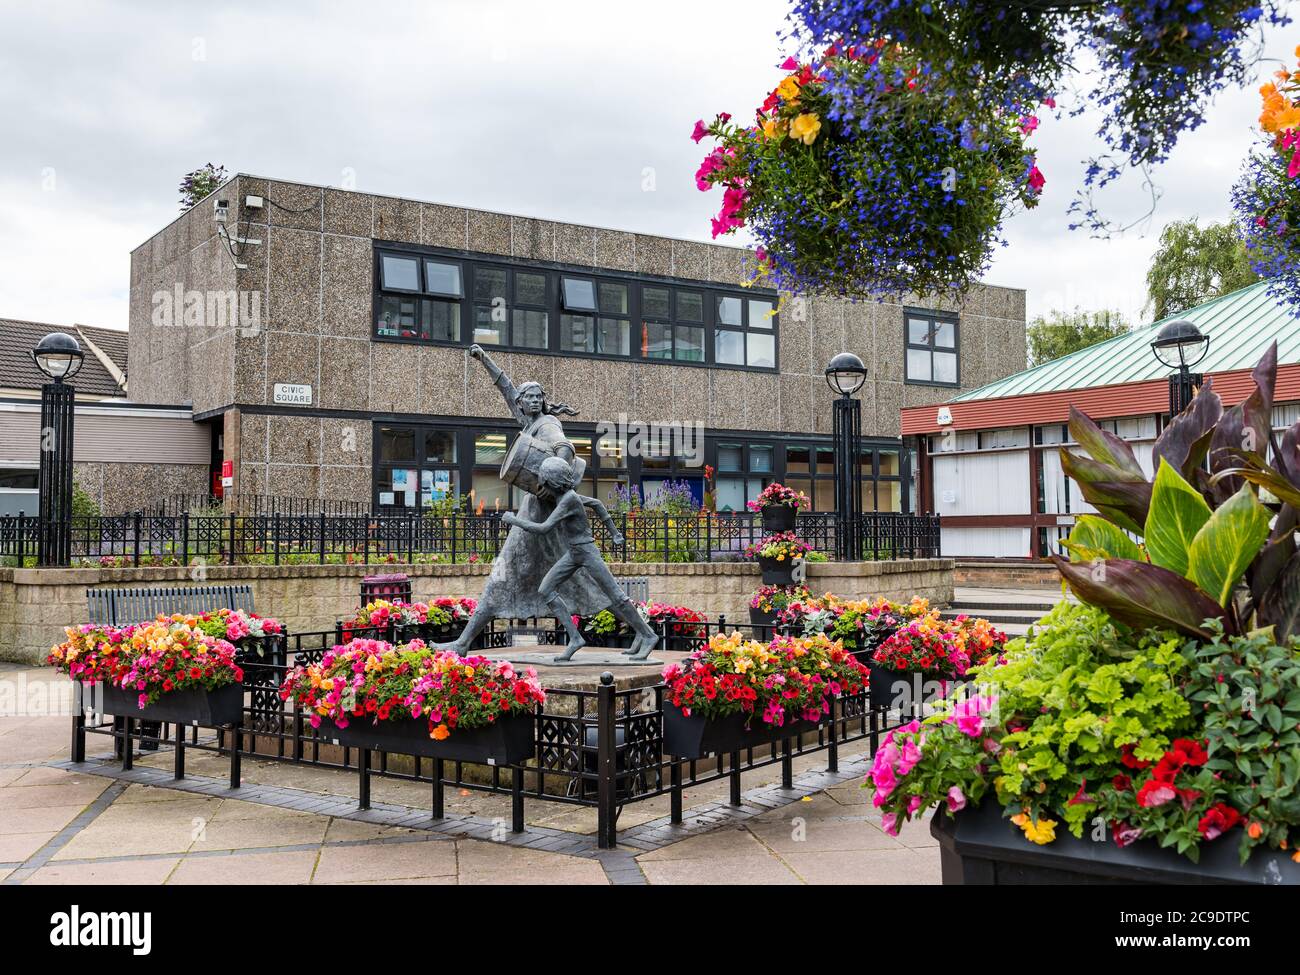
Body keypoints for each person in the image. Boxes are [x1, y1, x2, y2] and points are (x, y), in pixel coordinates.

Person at [434, 345, 602, 654]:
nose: (535, 401)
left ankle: (637, 628)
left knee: (586, 579)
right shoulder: (527, 422)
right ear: (522, 404)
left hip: (541, 511)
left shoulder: (548, 424)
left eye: (539, 397)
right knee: (511, 577)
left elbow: (563, 448)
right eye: (529, 397)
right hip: (535, 511)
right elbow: (505, 386)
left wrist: (556, 473)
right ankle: (463, 642)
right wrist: (484, 359)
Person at [504, 457, 659, 661]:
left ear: (552, 481)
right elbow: (597, 503)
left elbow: (544, 528)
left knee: (616, 596)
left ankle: (648, 635)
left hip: (586, 552)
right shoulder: (565, 497)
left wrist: (514, 520)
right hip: (574, 553)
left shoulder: (568, 499)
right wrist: (613, 532)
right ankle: (575, 638)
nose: (542, 485)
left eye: (544, 481)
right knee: (545, 589)